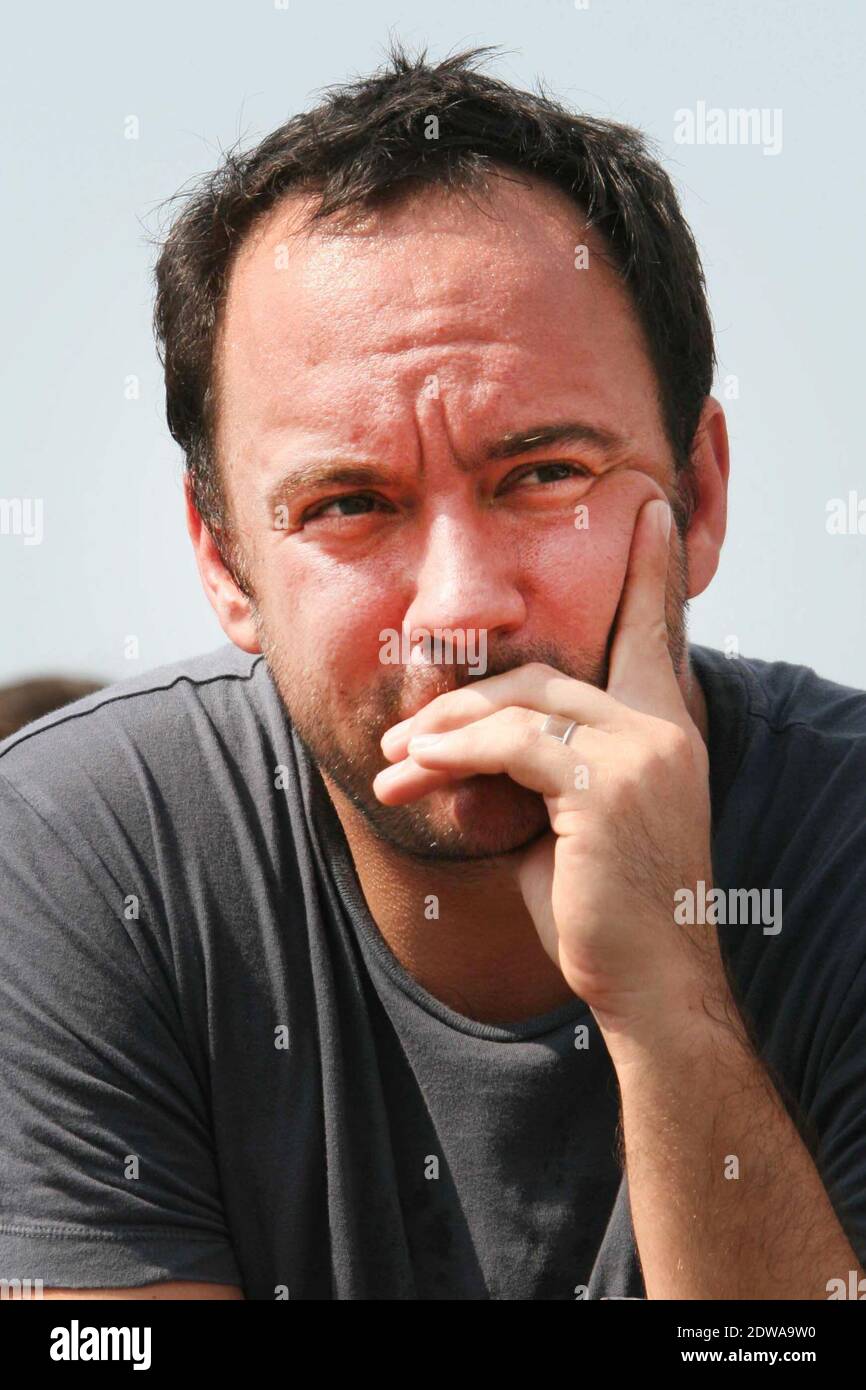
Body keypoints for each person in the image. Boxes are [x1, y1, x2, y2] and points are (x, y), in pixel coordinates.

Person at [1, 42, 865, 1302]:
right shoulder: (72, 854)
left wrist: (669, 1007)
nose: (459, 608)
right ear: (226, 561)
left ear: (698, 491)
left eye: (542, 475)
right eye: (350, 503)